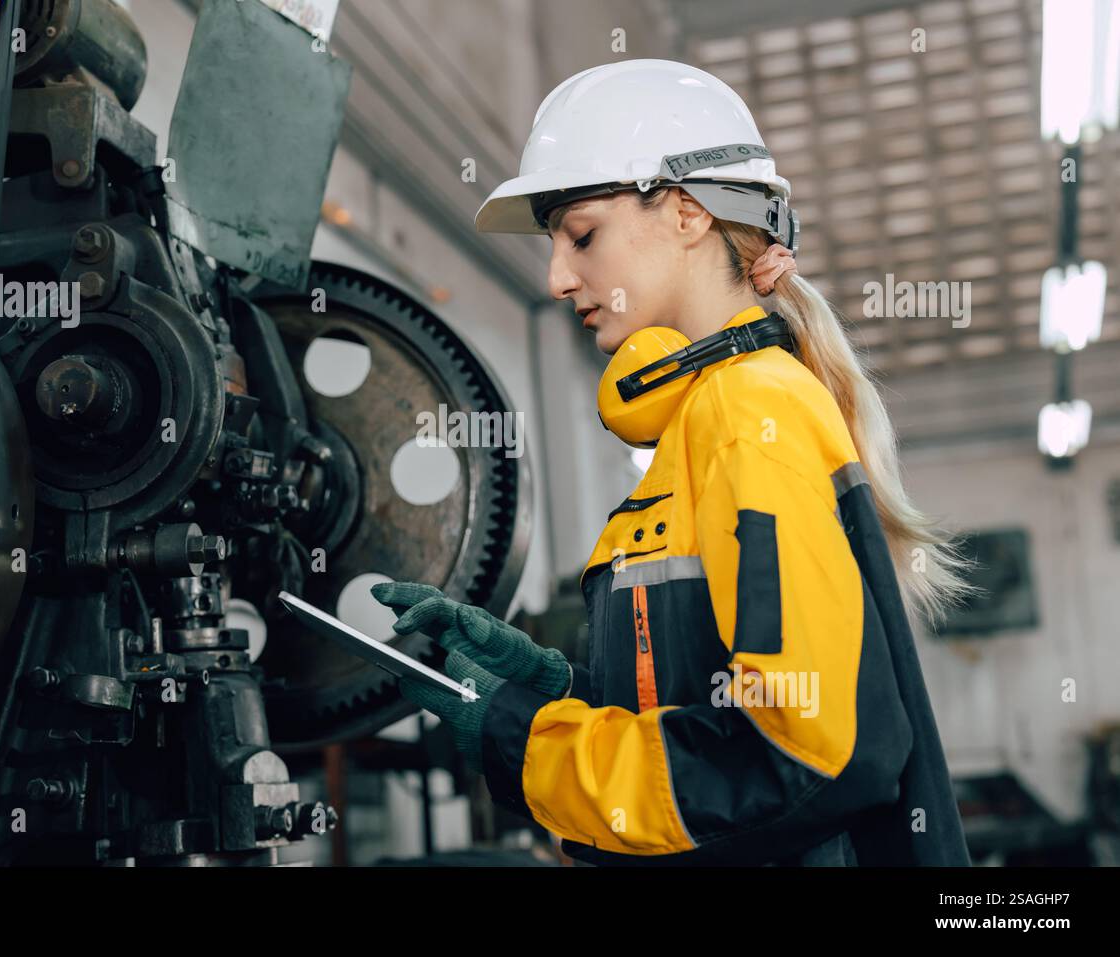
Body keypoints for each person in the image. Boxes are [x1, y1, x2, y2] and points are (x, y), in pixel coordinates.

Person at [371, 59, 977, 866]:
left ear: (688, 212)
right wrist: (545, 686)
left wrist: (532, 744)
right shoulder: (700, 423)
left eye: (581, 234)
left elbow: (806, 753)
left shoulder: (746, 412)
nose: (556, 277)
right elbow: (700, 707)